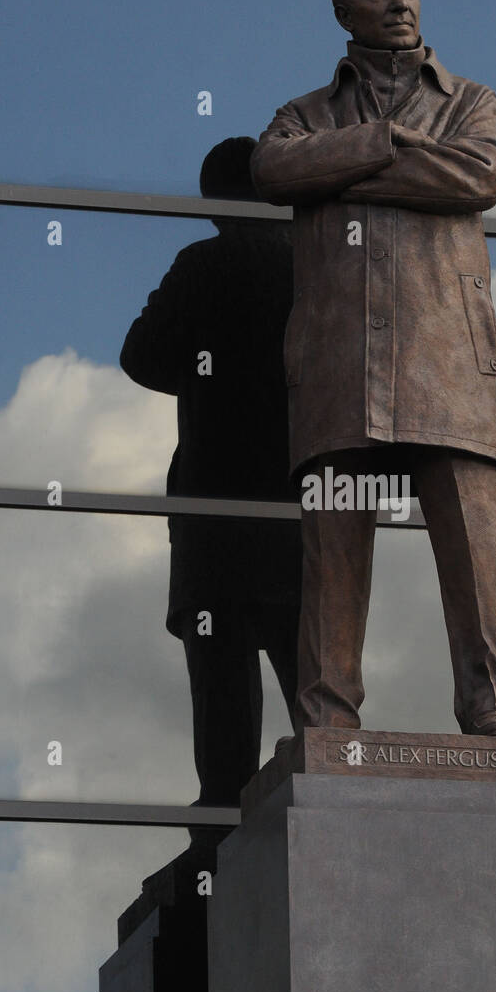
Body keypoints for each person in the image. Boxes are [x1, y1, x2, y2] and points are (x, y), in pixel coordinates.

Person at [251, 0, 496, 741]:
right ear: (345, 11)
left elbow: (477, 178)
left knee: (477, 547)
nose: (400, 3)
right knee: (334, 552)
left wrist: (335, 173)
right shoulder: (304, 112)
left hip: (447, 361)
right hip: (340, 364)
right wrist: (382, 145)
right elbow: (273, 169)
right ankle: (328, 718)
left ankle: (495, 708)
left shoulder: (470, 100)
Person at [120, 137, 302, 820]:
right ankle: (336, 780)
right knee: (305, 656)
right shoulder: (309, 268)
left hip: (216, 490)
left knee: (220, 656)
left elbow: (139, 355)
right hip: (294, 493)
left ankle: (222, 814)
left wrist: (201, 383)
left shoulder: (203, 264)